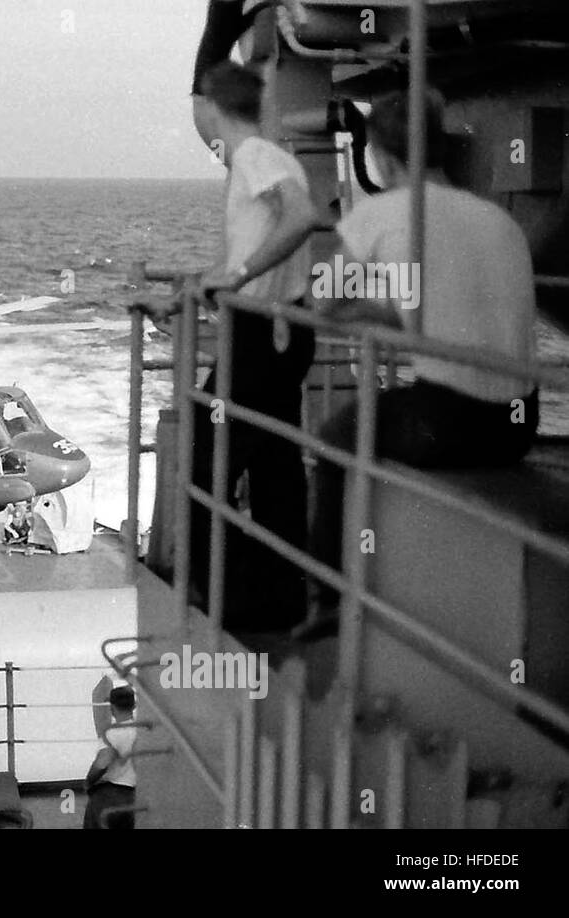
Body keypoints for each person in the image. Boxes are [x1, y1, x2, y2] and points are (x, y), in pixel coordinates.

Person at [303, 92, 539, 630]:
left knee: (337, 435)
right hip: (517, 424)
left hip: (447, 423)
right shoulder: (498, 217)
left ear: (381, 157)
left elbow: (324, 301)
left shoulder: (382, 212)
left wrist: (367, 308)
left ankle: (326, 598)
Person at [188, 60, 322, 633]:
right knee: (273, 468)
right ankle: (278, 597)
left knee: (205, 460)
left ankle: (220, 593)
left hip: (264, 335)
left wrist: (238, 274)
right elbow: (270, 235)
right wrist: (217, 277)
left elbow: (300, 218)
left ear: (214, 109)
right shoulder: (263, 156)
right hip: (279, 329)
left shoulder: (255, 156)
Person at [83, 685, 140, 829]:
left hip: (112, 796)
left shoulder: (112, 733)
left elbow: (102, 764)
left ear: (112, 707)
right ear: (134, 705)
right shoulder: (143, 730)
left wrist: (88, 782)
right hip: (138, 795)